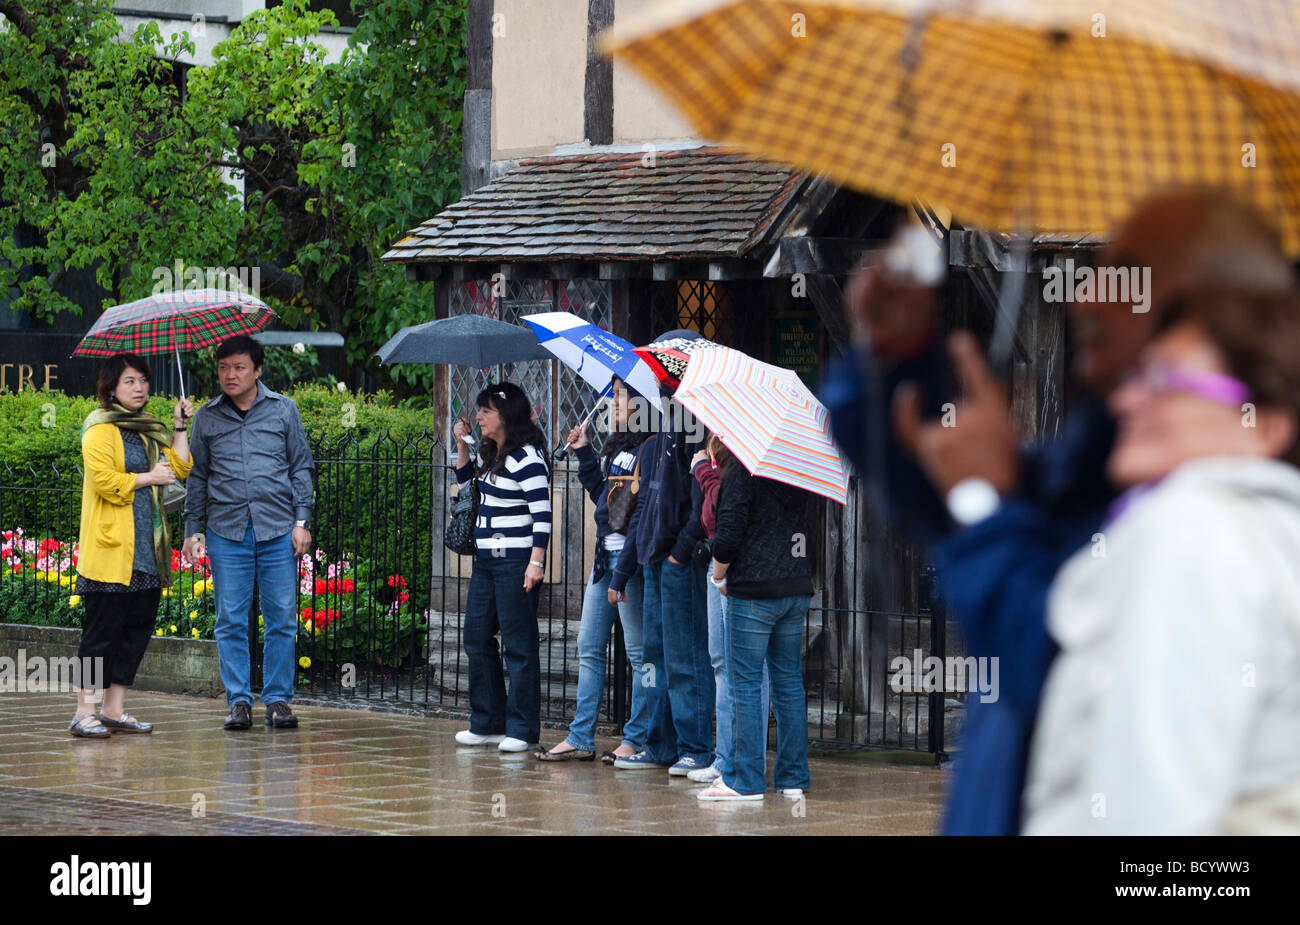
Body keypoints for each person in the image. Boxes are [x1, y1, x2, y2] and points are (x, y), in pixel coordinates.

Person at [822, 190, 1297, 834]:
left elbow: (1068, 683)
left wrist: (983, 507)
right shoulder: (1101, 467)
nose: (1087, 296)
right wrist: (893, 357)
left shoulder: (1198, 528)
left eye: (1127, 271)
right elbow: (931, 471)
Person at [1024, 286, 1300, 834]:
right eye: (1137, 377)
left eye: (1166, 382)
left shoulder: (1191, 530)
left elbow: (1144, 818)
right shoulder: (1268, 534)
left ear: (1265, 426)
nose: (1125, 401)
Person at [182, 335, 316, 731]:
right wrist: (191, 530)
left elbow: (301, 467)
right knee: (230, 620)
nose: (230, 375)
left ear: (257, 370)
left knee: (282, 618)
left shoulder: (283, 410)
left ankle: (278, 700)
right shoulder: (206, 417)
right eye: (223, 367)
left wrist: (301, 521)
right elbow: (198, 476)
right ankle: (239, 701)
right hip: (226, 532)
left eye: (239, 367)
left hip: (278, 529)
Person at [70, 354, 193, 737]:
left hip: (147, 551)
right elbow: (105, 481)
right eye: (129, 381)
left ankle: (113, 710)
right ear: (110, 387)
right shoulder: (98, 428)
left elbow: (179, 468)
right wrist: (148, 477)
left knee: (135, 632)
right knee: (100, 635)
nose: (139, 388)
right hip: (109, 551)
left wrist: (179, 427)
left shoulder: (147, 427)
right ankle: (83, 711)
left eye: (143, 380)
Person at [608, 333, 713, 777]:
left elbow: (699, 497)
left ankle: (696, 748)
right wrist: (626, 570)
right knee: (654, 658)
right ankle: (659, 743)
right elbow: (646, 504)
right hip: (653, 559)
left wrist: (680, 553)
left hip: (677, 561)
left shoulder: (697, 418)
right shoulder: (663, 423)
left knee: (685, 656)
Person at [537, 377, 649, 762]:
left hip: (629, 564)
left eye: (620, 395)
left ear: (640, 402)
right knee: (588, 646)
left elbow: (638, 516)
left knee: (639, 654)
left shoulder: (649, 447)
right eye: (613, 395)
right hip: (604, 560)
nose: (613, 402)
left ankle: (636, 738)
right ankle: (581, 736)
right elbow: (606, 500)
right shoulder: (617, 445)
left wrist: (623, 572)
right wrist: (585, 452)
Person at [696, 461, 817, 801]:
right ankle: (792, 778)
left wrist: (717, 575)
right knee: (788, 683)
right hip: (794, 585)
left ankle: (745, 780)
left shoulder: (742, 470)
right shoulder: (798, 469)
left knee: (745, 684)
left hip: (754, 589)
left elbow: (729, 533)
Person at [452, 382, 551, 753]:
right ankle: (488, 721)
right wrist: (462, 445)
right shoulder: (494, 454)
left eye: (486, 411)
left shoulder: (528, 458)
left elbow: (542, 515)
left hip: (515, 561)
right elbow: (467, 487)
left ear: (506, 416)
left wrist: (536, 562)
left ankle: (522, 729)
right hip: (486, 562)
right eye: (479, 410)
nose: (478, 417)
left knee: (519, 644)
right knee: (476, 637)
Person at [686, 432, 770, 783]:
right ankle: (725, 758)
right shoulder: (717, 447)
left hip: (736, 566)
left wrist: (704, 472)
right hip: (717, 563)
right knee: (720, 661)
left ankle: (748, 762)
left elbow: (725, 510)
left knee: (747, 667)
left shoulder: (746, 454)